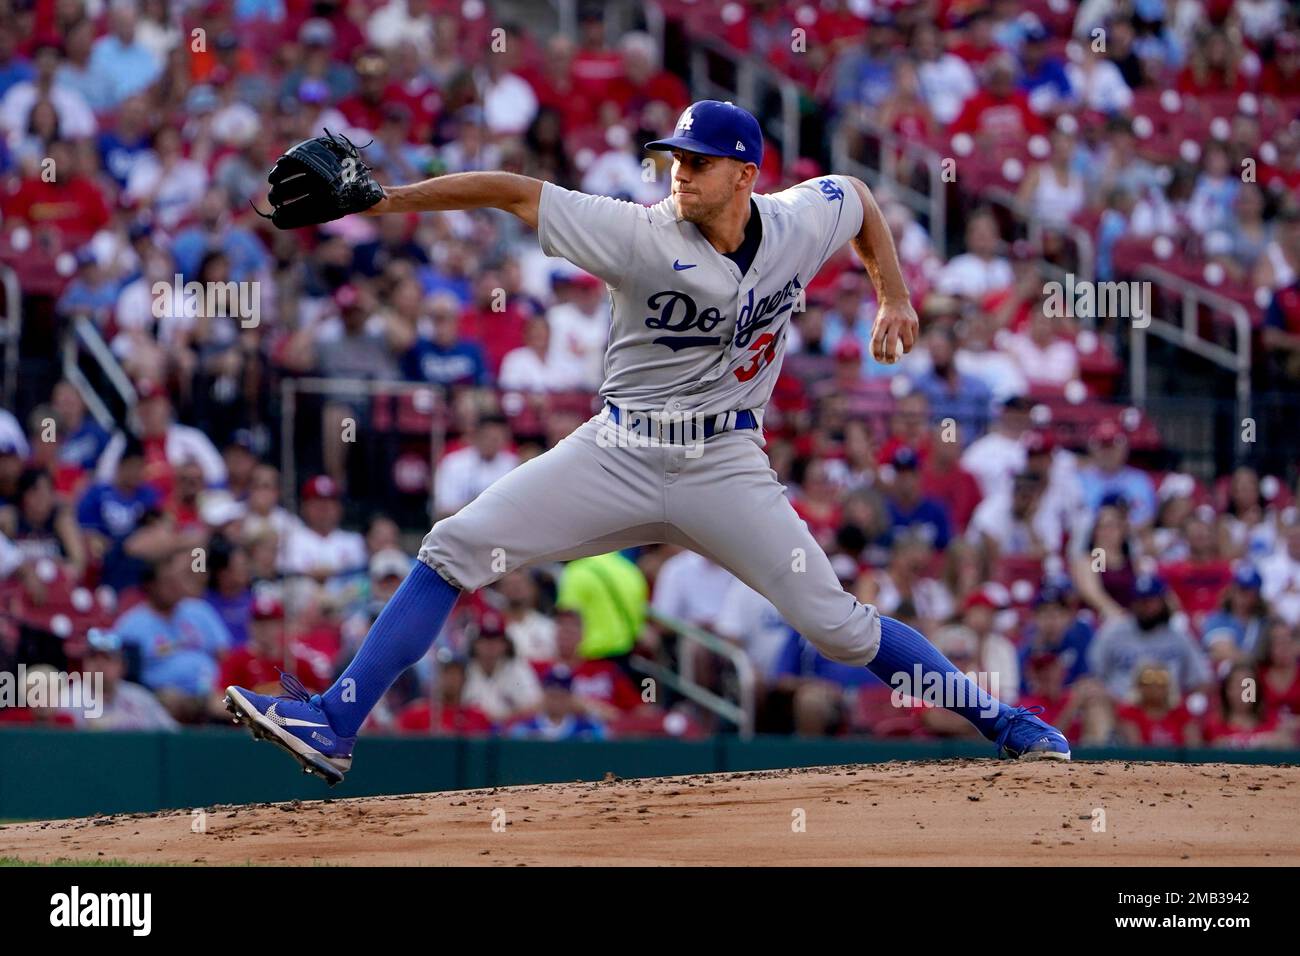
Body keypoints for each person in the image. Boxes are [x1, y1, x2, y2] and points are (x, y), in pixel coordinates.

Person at [225, 99, 1071, 783]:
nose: (677, 174)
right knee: (454, 545)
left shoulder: (798, 223)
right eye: (673, 159)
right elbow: (515, 192)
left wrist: (894, 294)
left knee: (839, 628)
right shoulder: (639, 232)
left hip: (728, 464)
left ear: (745, 174)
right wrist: (388, 200)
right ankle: (336, 721)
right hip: (619, 452)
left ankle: (1013, 725)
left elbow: (859, 196)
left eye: (696, 163)